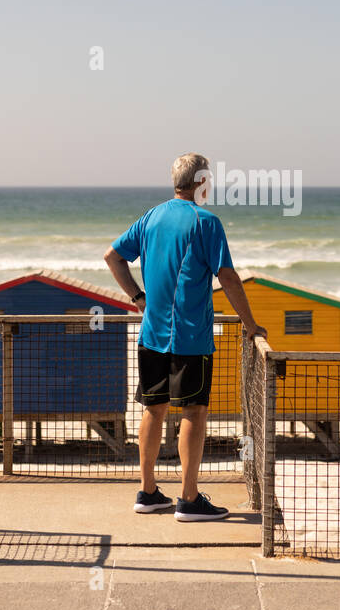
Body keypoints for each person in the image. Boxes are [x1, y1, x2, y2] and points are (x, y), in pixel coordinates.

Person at [104, 153, 267, 521]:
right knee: (194, 411)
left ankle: (147, 493)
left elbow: (113, 257)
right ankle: (189, 499)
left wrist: (138, 298)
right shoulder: (206, 222)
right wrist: (251, 324)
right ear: (203, 182)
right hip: (190, 339)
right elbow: (228, 278)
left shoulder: (151, 217)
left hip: (151, 335)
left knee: (153, 410)